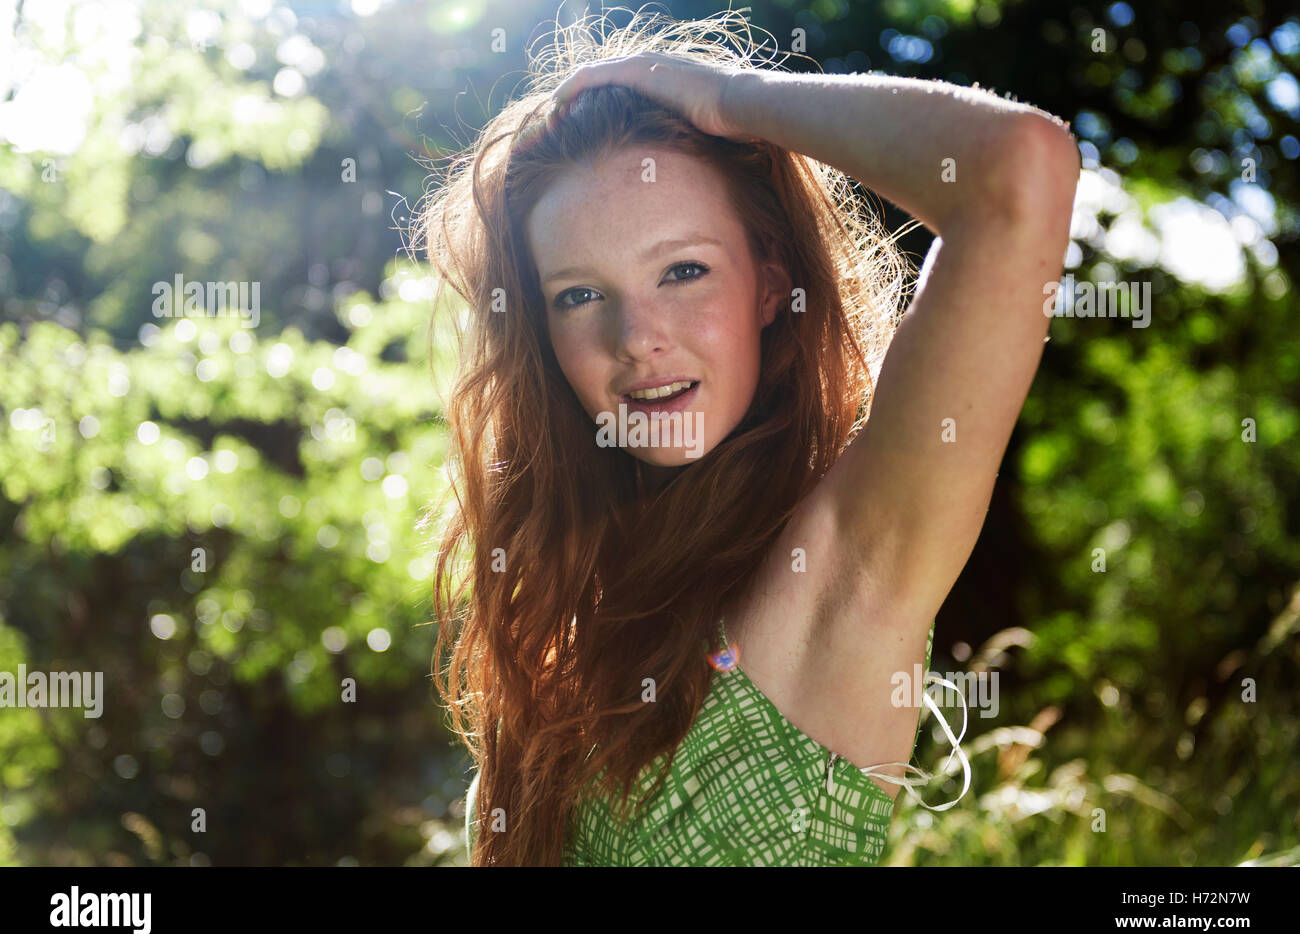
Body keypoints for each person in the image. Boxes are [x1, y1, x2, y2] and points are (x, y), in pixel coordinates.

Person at [419, 9, 1079, 866]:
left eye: (683, 271)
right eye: (580, 295)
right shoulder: (571, 616)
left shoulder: (843, 558)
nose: (637, 338)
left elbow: (1018, 170)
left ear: (770, 286)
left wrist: (731, 99)